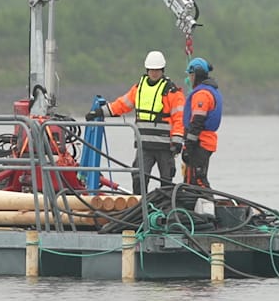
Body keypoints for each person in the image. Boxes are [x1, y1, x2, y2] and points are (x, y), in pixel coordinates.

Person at [92, 49, 184, 197]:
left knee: (166, 181)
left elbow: (179, 118)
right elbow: (121, 105)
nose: (154, 73)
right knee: (138, 178)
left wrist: (177, 141)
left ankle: (166, 209)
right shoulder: (138, 89)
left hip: (165, 147)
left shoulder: (172, 92)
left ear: (162, 70)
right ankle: (140, 208)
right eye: (152, 70)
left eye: (157, 70)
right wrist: (99, 112)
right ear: (147, 70)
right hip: (144, 146)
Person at [180, 57, 221, 189]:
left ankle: (208, 205)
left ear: (196, 75)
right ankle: (194, 205)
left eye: (191, 75)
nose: (189, 79)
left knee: (198, 180)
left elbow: (197, 121)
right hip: (203, 142)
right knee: (191, 180)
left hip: (200, 143)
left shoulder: (202, 94)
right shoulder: (210, 90)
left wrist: (188, 146)